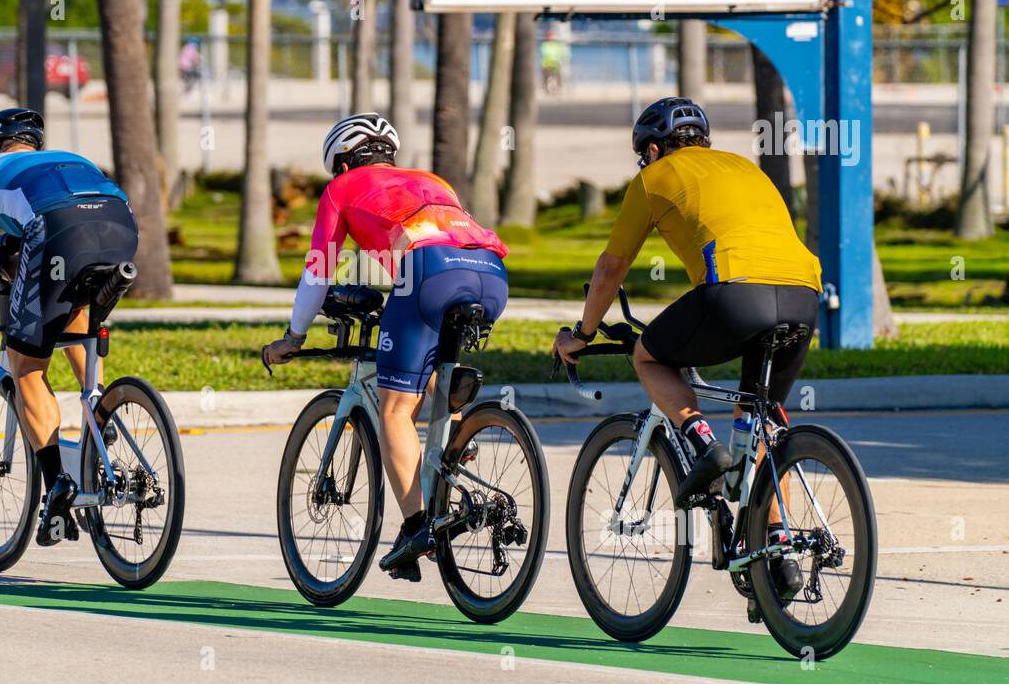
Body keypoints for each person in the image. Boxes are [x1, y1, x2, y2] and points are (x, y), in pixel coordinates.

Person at [550, 97, 821, 595]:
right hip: (804, 294)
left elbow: (611, 267)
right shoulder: (743, 167)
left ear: (652, 149)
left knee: (648, 354)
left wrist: (582, 334)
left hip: (736, 293)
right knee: (766, 418)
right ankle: (777, 542)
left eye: (642, 156)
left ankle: (701, 443)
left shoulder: (655, 177)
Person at [262, 113, 509, 582]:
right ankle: (453, 447)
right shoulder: (432, 179)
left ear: (341, 163)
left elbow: (319, 268)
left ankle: (417, 528)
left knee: (395, 407)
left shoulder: (342, 189)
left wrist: (295, 337)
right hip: (491, 274)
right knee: (431, 367)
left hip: (428, 271)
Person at [0, 108, 139, 547]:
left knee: (26, 365)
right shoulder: (65, 158)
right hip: (119, 222)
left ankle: (57, 488)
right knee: (74, 315)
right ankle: (98, 413)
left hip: (57, 227)